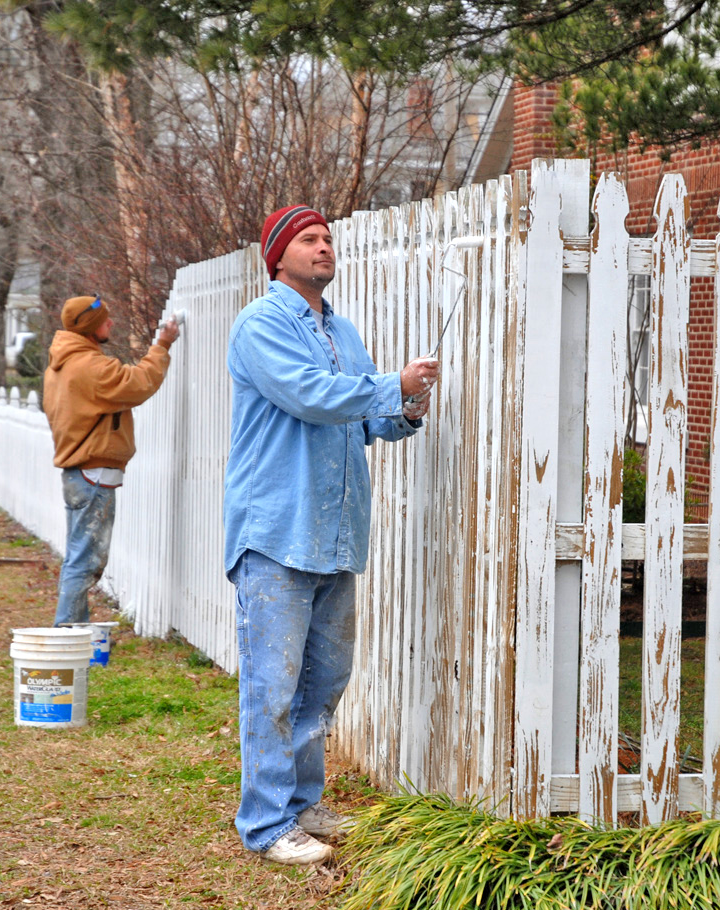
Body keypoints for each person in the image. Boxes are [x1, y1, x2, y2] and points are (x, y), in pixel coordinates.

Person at [224, 205, 438, 865]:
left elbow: (364, 421)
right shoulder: (260, 324)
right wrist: (385, 387)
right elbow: (312, 397)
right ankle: (264, 824)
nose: (324, 248)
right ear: (278, 255)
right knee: (273, 684)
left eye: (327, 239)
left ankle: (301, 805)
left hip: (334, 533)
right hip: (276, 531)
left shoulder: (341, 329)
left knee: (322, 681)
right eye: (309, 240)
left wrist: (407, 407)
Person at [42, 293, 180, 627]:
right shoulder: (89, 366)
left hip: (78, 474)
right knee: (86, 561)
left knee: (79, 556)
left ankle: (75, 628)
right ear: (90, 326)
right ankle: (67, 633)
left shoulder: (61, 364)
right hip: (93, 475)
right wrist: (161, 345)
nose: (111, 323)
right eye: (105, 319)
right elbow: (138, 383)